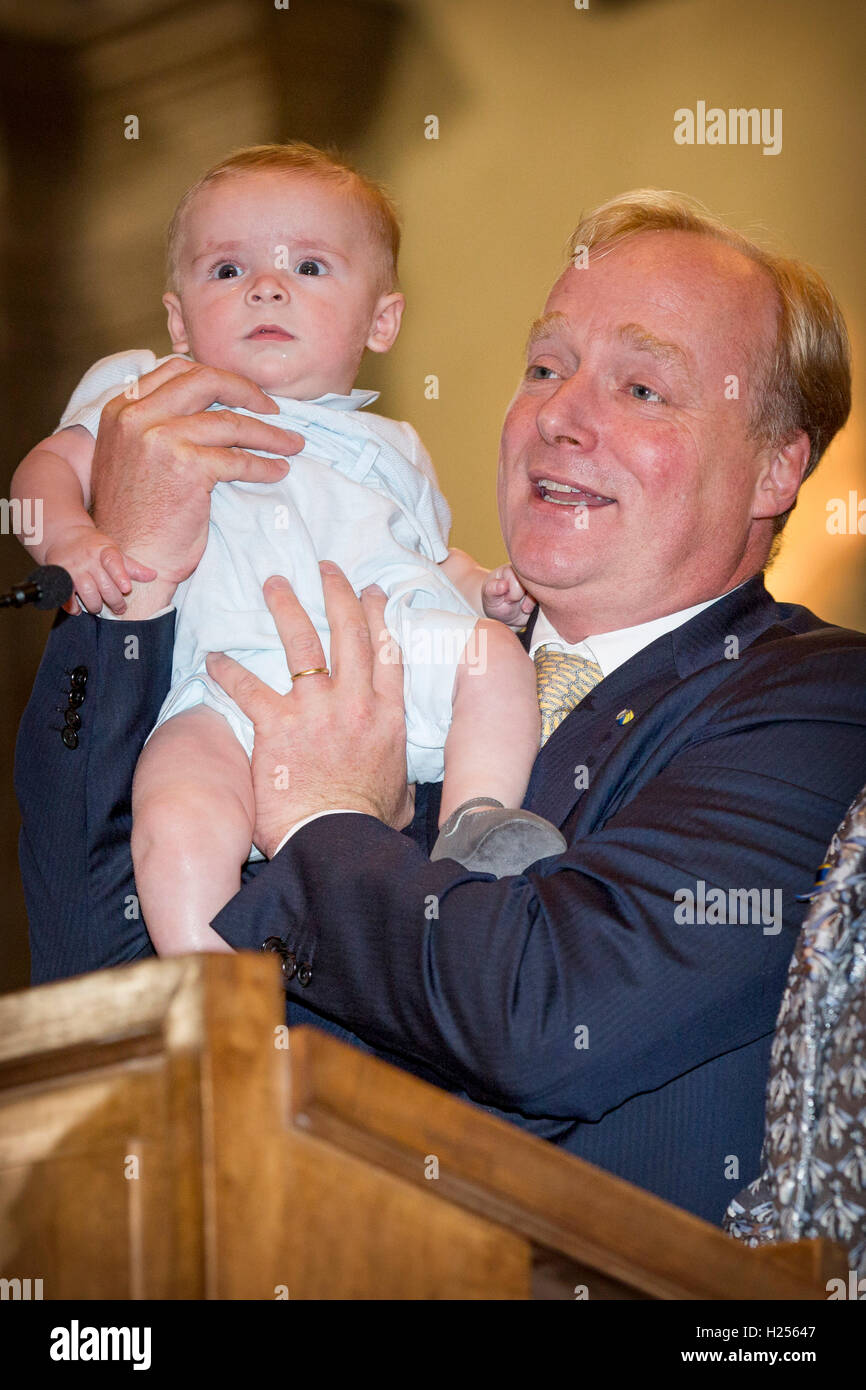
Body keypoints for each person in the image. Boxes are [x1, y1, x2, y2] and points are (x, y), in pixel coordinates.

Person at [16, 189, 866, 1224]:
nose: (558, 415)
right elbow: (90, 967)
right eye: (545, 368)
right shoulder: (405, 633)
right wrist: (137, 580)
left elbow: (545, 1016)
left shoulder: (814, 696)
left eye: (641, 387)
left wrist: (324, 817)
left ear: (776, 464)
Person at [11, 143, 556, 958]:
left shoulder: (393, 447)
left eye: (308, 265)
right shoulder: (147, 392)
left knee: (494, 660)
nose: (266, 286)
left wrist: (483, 591)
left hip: (389, 659)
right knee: (175, 815)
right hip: (221, 687)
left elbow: (426, 558)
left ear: (382, 320)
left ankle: (475, 821)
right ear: (177, 318)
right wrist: (74, 535)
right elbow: (44, 469)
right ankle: (215, 997)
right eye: (227, 271)